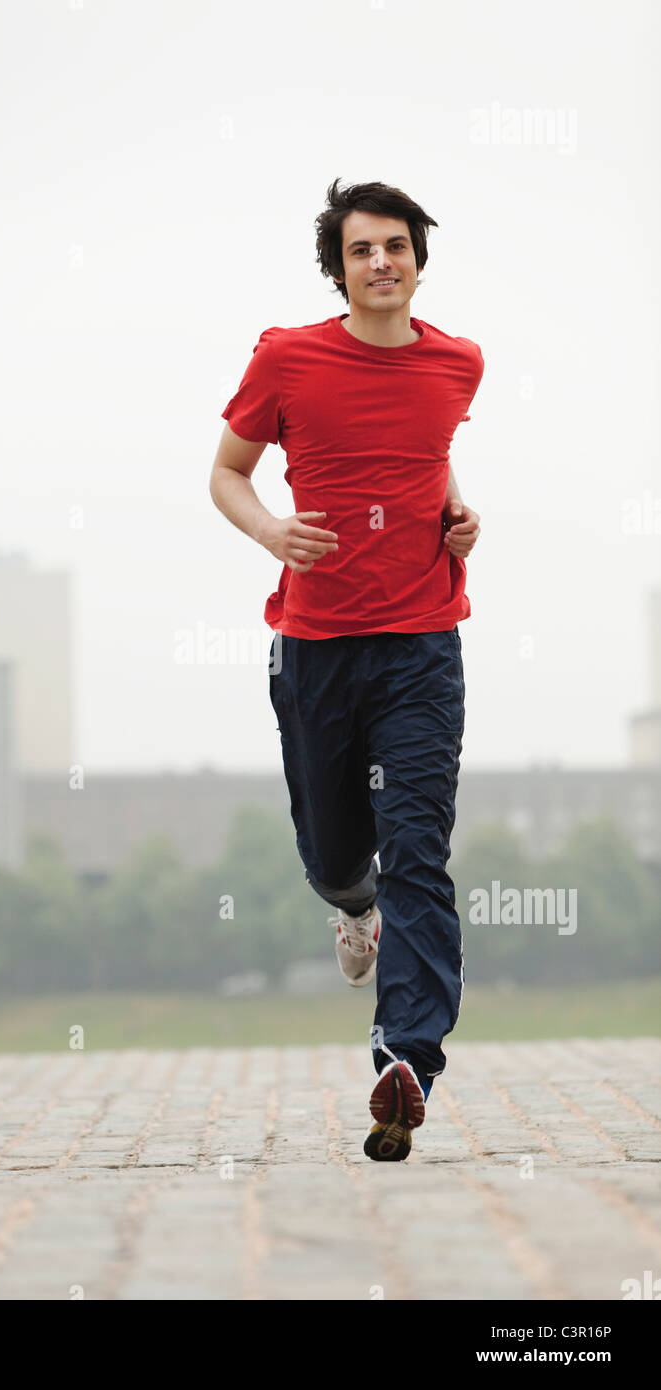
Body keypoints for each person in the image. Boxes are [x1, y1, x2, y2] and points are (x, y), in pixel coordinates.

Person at [209, 178, 484, 1161]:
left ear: (416, 258)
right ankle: (349, 907)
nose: (380, 263)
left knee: (416, 845)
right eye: (361, 249)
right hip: (318, 647)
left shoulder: (456, 363)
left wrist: (458, 513)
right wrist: (273, 532)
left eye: (395, 246)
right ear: (340, 266)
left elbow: (427, 452)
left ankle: (402, 1054)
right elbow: (225, 473)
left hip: (421, 642)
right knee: (334, 850)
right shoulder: (286, 356)